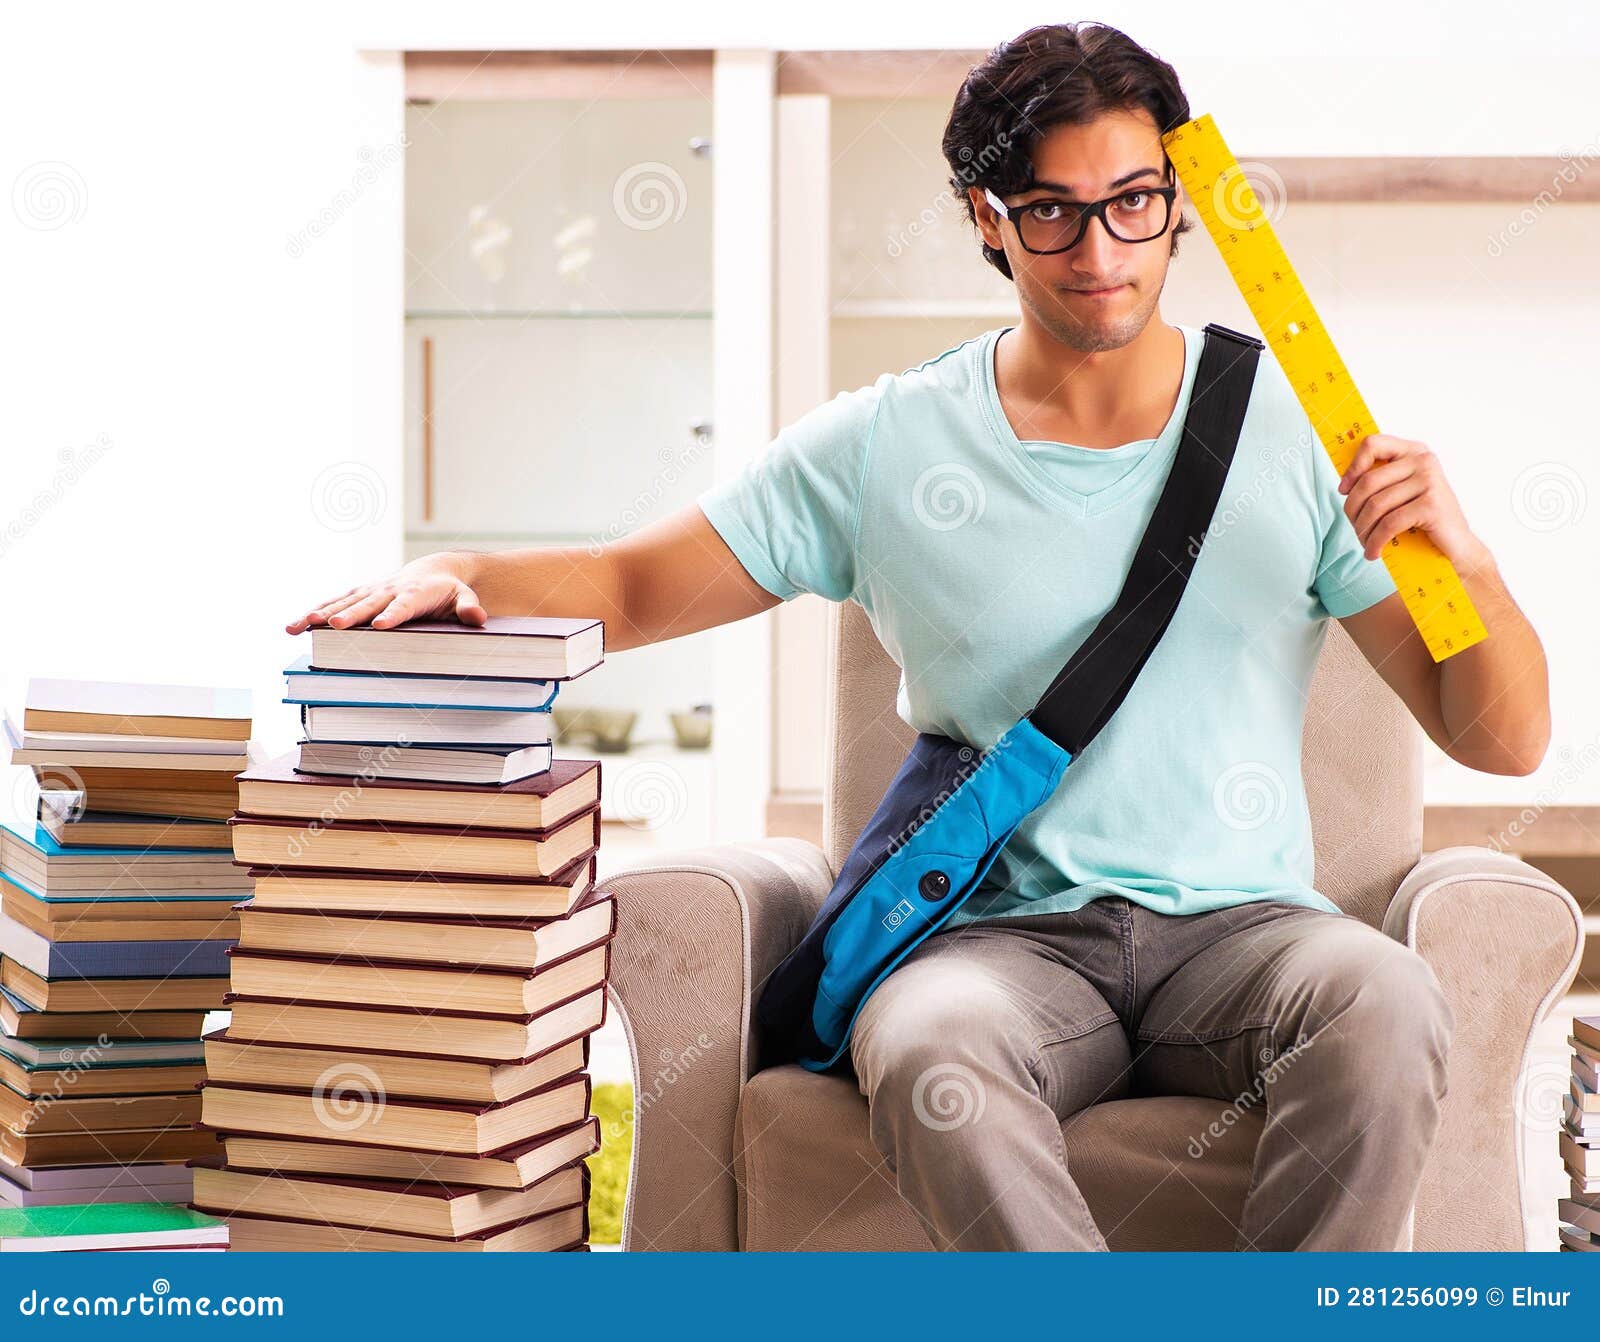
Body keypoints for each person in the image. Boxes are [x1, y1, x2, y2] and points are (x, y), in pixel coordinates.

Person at [287, 22, 1550, 1251]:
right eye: (1050, 209)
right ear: (986, 219)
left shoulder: (1296, 430)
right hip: (1003, 942)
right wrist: (458, 568)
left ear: (1179, 199)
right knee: (930, 1040)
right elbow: (634, 582)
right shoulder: (888, 442)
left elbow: (1500, 738)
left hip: (1247, 934)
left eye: (1132, 201)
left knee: (1383, 997)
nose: (1100, 248)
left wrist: (1472, 565)